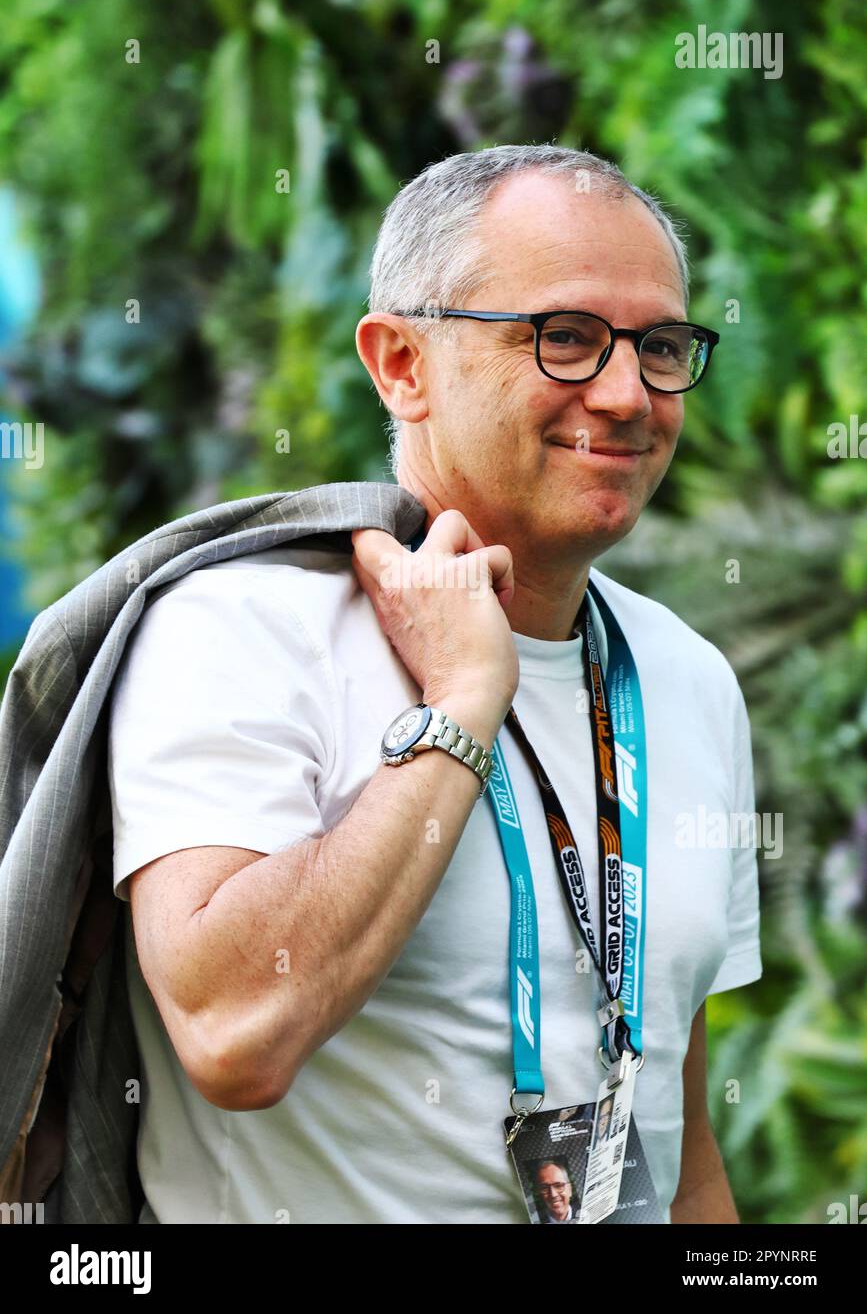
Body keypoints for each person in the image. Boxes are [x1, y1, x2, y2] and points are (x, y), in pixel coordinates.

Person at [107, 143, 762, 1225]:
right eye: (564, 336)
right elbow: (232, 1034)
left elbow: (681, 1152)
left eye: (659, 346)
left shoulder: (685, 676)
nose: (626, 394)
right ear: (402, 364)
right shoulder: (240, 630)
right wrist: (460, 705)